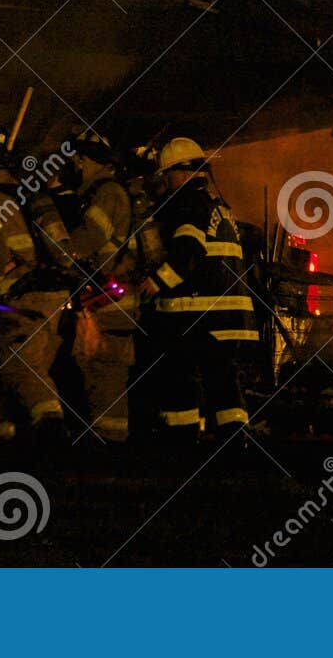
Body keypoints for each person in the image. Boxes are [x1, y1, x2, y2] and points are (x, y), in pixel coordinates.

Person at [0, 124, 74, 444]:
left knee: (19, 364)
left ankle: (51, 429)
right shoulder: (33, 195)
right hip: (55, 294)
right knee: (37, 364)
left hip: (24, 296)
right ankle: (29, 437)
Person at [143, 137, 258, 439]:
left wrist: (156, 282)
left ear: (180, 173)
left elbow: (188, 253)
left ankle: (180, 443)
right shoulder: (220, 209)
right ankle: (235, 442)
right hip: (230, 317)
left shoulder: (187, 205)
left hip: (199, 316)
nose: (166, 184)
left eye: (167, 176)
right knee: (223, 383)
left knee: (179, 377)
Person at [62, 129, 138, 443]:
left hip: (109, 303)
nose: (75, 164)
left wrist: (56, 252)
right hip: (105, 301)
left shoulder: (106, 193)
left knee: (105, 375)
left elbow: (86, 240)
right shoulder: (103, 192)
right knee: (98, 373)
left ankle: (109, 447)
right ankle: (104, 441)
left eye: (79, 158)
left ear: (90, 160)